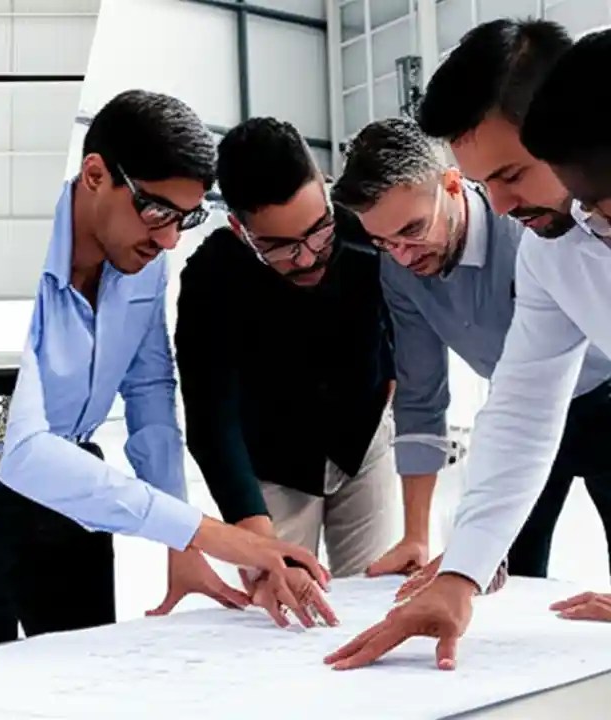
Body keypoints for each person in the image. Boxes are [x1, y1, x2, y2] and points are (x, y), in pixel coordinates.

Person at [0, 90, 331, 653]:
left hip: (80, 505)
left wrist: (182, 547)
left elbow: (150, 393)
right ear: (95, 174)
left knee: (87, 674)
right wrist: (213, 534)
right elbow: (24, 451)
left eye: (186, 219)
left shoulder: (144, 264)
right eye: (157, 211)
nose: (169, 240)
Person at [326, 20, 611, 672]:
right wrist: (459, 573)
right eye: (487, 182)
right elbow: (521, 408)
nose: (503, 204)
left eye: (512, 173)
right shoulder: (550, 251)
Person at [172, 116, 396, 627]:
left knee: (376, 597)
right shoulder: (210, 279)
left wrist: (390, 384)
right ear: (240, 229)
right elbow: (211, 419)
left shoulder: (365, 232)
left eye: (319, 230)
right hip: (273, 465)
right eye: (283, 248)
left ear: (325, 187)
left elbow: (405, 326)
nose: (310, 255)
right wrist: (258, 541)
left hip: (364, 441)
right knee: (285, 611)